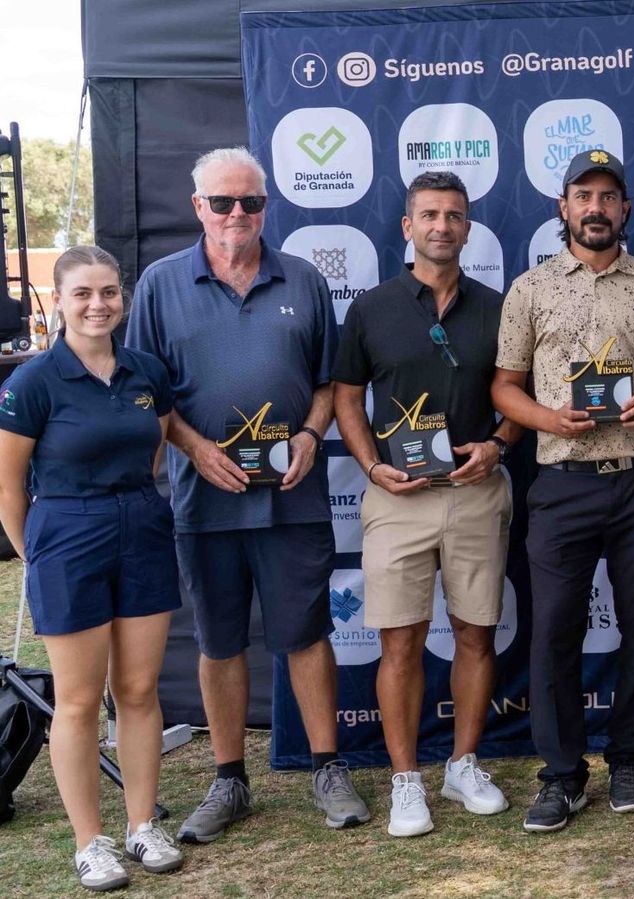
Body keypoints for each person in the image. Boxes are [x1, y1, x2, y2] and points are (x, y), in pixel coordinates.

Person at [127, 147, 369, 843]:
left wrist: (311, 434)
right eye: (223, 201)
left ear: (266, 206)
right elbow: (146, 392)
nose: (238, 213)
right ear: (198, 206)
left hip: (293, 495)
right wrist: (195, 449)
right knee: (220, 640)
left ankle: (327, 768)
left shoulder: (305, 278)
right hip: (205, 502)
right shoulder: (160, 284)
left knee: (307, 633)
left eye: (252, 202)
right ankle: (229, 780)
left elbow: (327, 381)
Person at [491, 150, 634, 832]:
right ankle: (561, 774)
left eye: (607, 196)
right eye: (583, 196)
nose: (595, 208)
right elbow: (504, 386)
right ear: (564, 207)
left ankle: (629, 758)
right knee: (553, 631)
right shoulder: (530, 288)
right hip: (562, 482)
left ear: (625, 208)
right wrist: (548, 418)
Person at [331, 171, 520, 837]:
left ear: (468, 228)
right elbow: (346, 397)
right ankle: (406, 779)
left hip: (475, 492)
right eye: (431, 215)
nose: (443, 226)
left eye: (455, 215)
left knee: (475, 633)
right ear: (408, 227)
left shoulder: (498, 307)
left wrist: (498, 444)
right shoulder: (371, 308)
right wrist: (371, 466)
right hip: (398, 498)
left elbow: (518, 392)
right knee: (400, 641)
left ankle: (463, 764)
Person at [0, 247, 184, 891]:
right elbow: (8, 487)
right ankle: (90, 842)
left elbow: (154, 448)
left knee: (137, 690)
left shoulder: (147, 372)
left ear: (122, 298)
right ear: (59, 301)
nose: (98, 305)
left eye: (108, 292)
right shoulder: (32, 382)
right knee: (78, 701)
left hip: (142, 528)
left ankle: (142, 825)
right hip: (67, 534)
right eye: (82, 293)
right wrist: (37, 554)